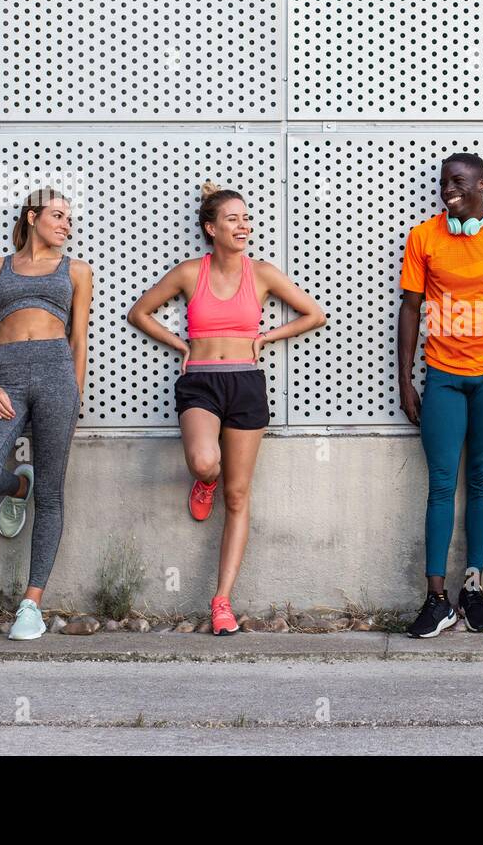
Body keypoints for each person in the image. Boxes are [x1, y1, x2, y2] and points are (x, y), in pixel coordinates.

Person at [127, 182, 325, 634]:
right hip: (199, 382)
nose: (244, 226)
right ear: (210, 228)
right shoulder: (187, 273)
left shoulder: (263, 274)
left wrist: (265, 337)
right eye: (233, 219)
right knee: (203, 461)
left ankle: (222, 601)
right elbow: (140, 313)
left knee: (238, 496)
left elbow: (314, 314)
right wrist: (180, 343)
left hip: (246, 383)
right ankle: (205, 482)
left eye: (247, 218)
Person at [397, 153, 483, 638]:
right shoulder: (423, 237)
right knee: (439, 485)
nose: (447, 189)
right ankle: (437, 600)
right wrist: (405, 380)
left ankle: (472, 588)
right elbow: (410, 309)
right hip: (442, 375)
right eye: (443, 182)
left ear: (482, 185)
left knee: (480, 480)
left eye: (458, 182)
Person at [0, 188, 92, 641]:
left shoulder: (76, 271)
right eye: (58, 216)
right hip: (8, 376)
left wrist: (75, 391)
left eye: (69, 219)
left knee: (53, 494)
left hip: (57, 372)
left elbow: (79, 338)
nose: (66, 225)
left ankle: (30, 605)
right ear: (33, 216)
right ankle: (19, 484)